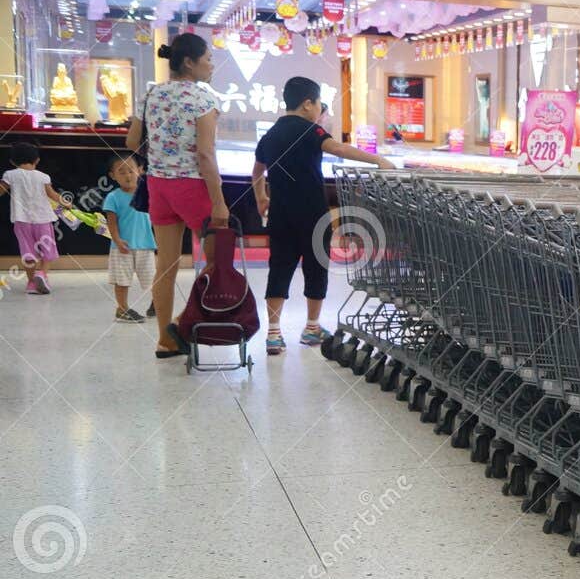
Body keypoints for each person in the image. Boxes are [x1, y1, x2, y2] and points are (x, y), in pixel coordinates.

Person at [251, 76, 393, 356]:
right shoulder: (311, 132)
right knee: (316, 267)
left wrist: (261, 198)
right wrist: (377, 159)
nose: (319, 110)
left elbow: (257, 172)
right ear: (307, 104)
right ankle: (312, 326)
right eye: (318, 104)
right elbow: (338, 149)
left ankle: (274, 333)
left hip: (280, 213)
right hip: (313, 213)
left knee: (279, 267)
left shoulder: (269, 135)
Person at [125, 32, 226, 359]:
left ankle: (164, 339)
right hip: (194, 187)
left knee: (165, 267)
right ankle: (183, 324)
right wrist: (220, 201)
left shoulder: (151, 95)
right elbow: (206, 156)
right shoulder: (204, 99)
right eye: (208, 58)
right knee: (218, 262)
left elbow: (131, 142)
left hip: (158, 185)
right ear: (189, 62)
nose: (211, 65)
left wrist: (162, 153)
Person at [1, 141, 66, 295]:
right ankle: (42, 274)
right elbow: (52, 195)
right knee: (47, 249)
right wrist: (67, 204)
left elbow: (1, 190)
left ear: (12, 161)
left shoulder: (10, 175)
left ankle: (31, 284)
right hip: (43, 219)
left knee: (28, 252)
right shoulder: (43, 177)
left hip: (22, 220)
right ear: (37, 160)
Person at [99, 154, 156, 323]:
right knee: (122, 280)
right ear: (113, 176)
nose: (127, 175)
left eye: (131, 170)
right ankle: (122, 309)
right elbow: (111, 222)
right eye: (121, 172)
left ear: (140, 170)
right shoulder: (113, 197)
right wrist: (117, 240)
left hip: (145, 244)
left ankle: (156, 304)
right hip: (122, 246)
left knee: (152, 279)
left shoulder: (148, 193)